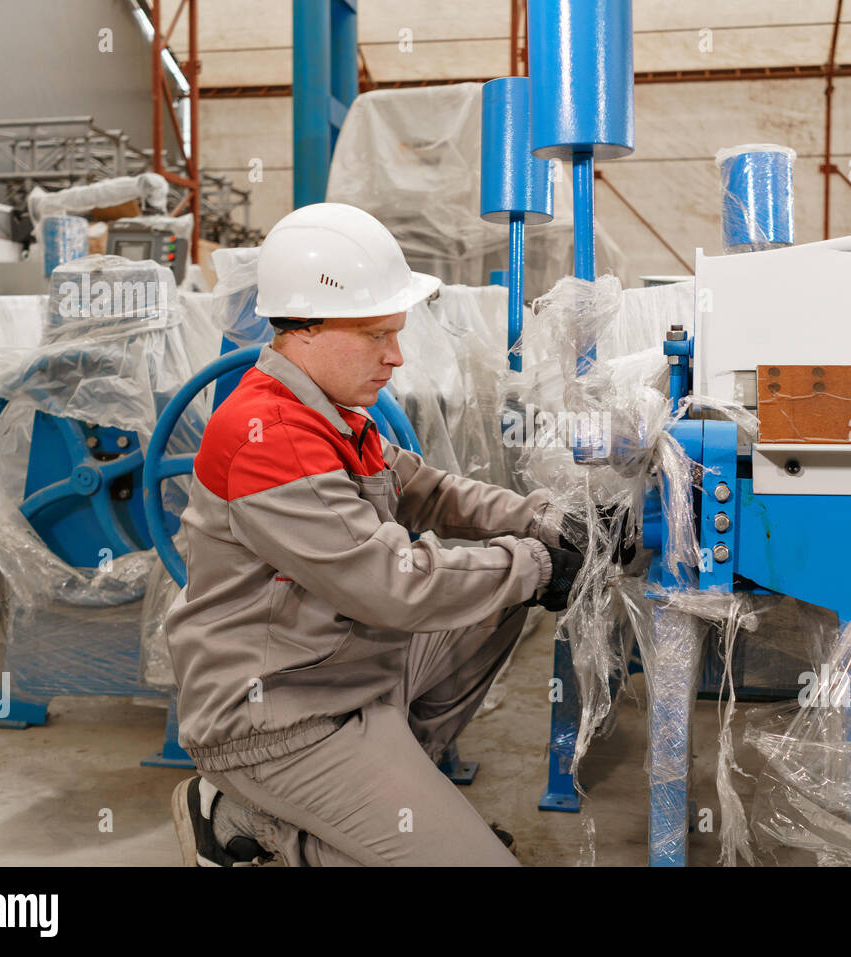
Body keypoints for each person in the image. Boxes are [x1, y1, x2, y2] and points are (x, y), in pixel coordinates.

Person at [166, 203, 602, 866]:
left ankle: (393, 796)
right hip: (277, 717)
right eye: (376, 335)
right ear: (305, 327)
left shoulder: (329, 414)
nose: (396, 357)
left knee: (498, 596)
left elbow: (425, 489)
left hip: (340, 668)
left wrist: (537, 517)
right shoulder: (270, 436)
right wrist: (536, 563)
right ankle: (244, 817)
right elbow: (391, 583)